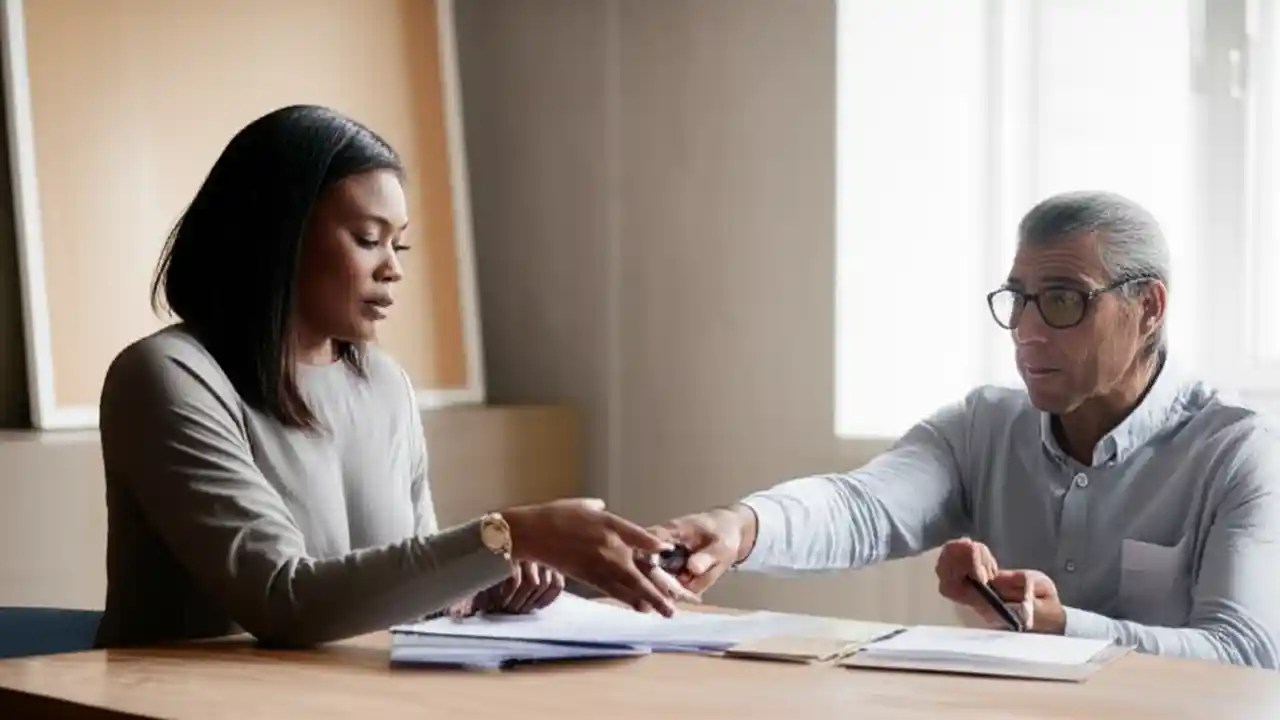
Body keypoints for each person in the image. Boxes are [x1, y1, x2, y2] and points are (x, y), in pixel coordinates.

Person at [95, 105, 688, 648]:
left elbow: (399, 587)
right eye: (369, 239)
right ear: (278, 237)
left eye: (400, 246)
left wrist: (485, 582)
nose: (393, 269)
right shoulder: (168, 378)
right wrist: (509, 535)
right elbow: (284, 600)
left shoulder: (383, 385)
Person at [655, 191, 1280, 669]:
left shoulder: (1239, 453)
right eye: (1018, 300)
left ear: (1149, 308)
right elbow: (863, 507)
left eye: (1064, 301)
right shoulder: (984, 426)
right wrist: (740, 528)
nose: (1028, 333)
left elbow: (1247, 654)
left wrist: (1063, 626)